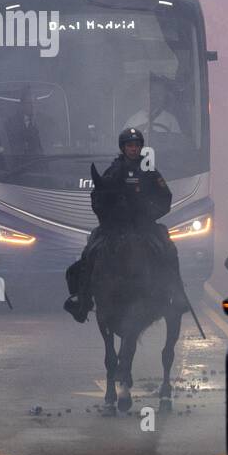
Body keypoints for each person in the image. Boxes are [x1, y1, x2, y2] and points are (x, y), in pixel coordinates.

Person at [63, 127, 183, 322]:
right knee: (90, 249)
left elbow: (165, 198)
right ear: (123, 147)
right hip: (116, 227)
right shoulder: (113, 170)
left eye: (136, 145)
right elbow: (99, 197)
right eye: (129, 146)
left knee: (168, 247)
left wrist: (148, 213)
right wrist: (108, 216)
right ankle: (82, 300)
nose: (133, 149)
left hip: (145, 225)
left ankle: (177, 294)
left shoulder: (150, 171)